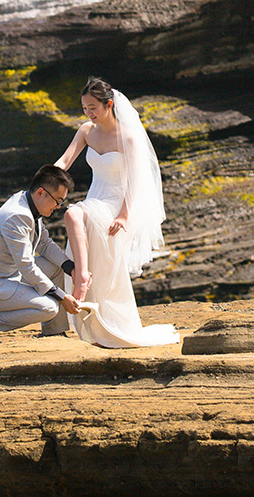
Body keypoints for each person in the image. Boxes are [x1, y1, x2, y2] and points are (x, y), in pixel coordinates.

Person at [54, 77, 178, 348]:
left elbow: (136, 181)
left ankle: (81, 279)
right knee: (98, 259)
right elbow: (64, 162)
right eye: (85, 108)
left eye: (93, 107)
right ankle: (100, 329)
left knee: (73, 214)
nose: (88, 113)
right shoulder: (86, 130)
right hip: (95, 200)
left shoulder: (129, 137)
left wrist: (123, 215)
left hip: (117, 207)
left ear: (109, 105)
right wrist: (44, 179)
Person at [0, 164, 83, 345]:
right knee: (49, 307)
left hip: (6, 277)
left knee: (56, 267)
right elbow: (26, 265)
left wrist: (71, 268)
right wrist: (62, 296)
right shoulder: (17, 216)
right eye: (57, 200)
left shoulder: (28, 203)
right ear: (41, 192)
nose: (58, 206)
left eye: (61, 202)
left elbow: (44, 244)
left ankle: (54, 332)